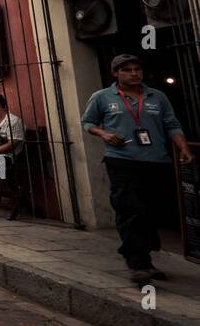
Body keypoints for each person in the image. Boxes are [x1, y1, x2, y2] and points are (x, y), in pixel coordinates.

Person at [81, 54, 193, 284]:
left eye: (137, 69)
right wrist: (105, 134)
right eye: (127, 70)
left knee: (152, 210)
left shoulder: (157, 97)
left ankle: (145, 255)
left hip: (156, 160)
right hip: (121, 159)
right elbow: (88, 123)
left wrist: (184, 148)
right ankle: (138, 263)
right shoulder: (102, 97)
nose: (133, 74)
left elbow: (171, 124)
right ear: (115, 73)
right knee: (129, 209)